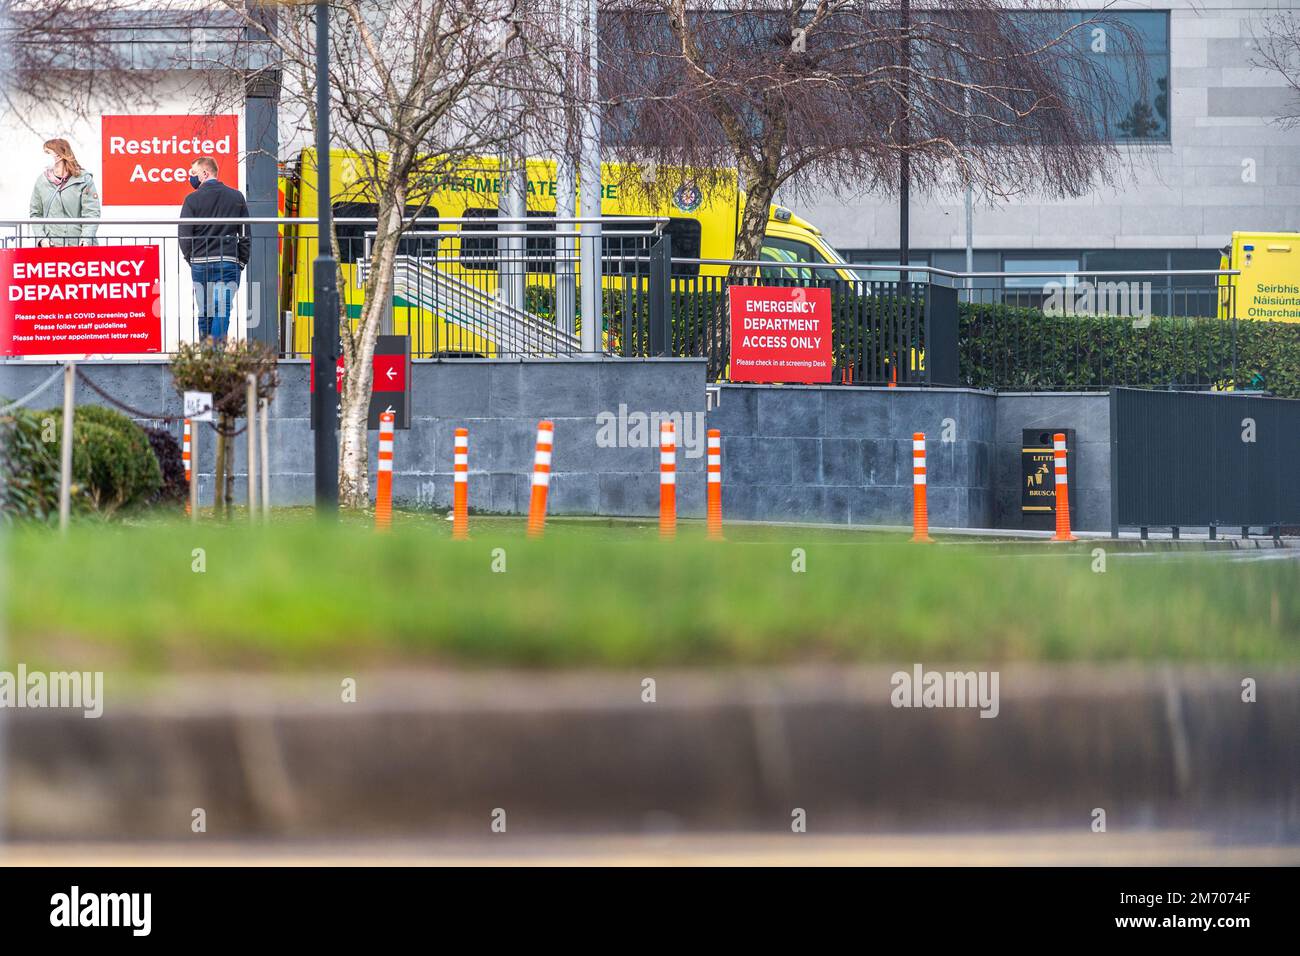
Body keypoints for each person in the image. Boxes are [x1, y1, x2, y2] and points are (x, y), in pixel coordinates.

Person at [179, 156, 250, 344]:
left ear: (205, 173)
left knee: (205, 311)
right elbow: (244, 232)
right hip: (228, 262)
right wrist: (241, 261)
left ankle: (207, 359)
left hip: (201, 264)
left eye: (193, 173)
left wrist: (191, 259)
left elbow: (184, 235)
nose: (191, 177)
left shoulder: (192, 200)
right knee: (222, 311)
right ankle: (216, 356)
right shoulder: (236, 197)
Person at [29, 138, 100, 247]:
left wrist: (86, 239)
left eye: (47, 153)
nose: (44, 156)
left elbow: (91, 213)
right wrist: (42, 239)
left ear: (60, 155)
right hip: (52, 246)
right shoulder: (41, 181)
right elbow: (35, 214)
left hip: (79, 245)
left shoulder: (83, 179)